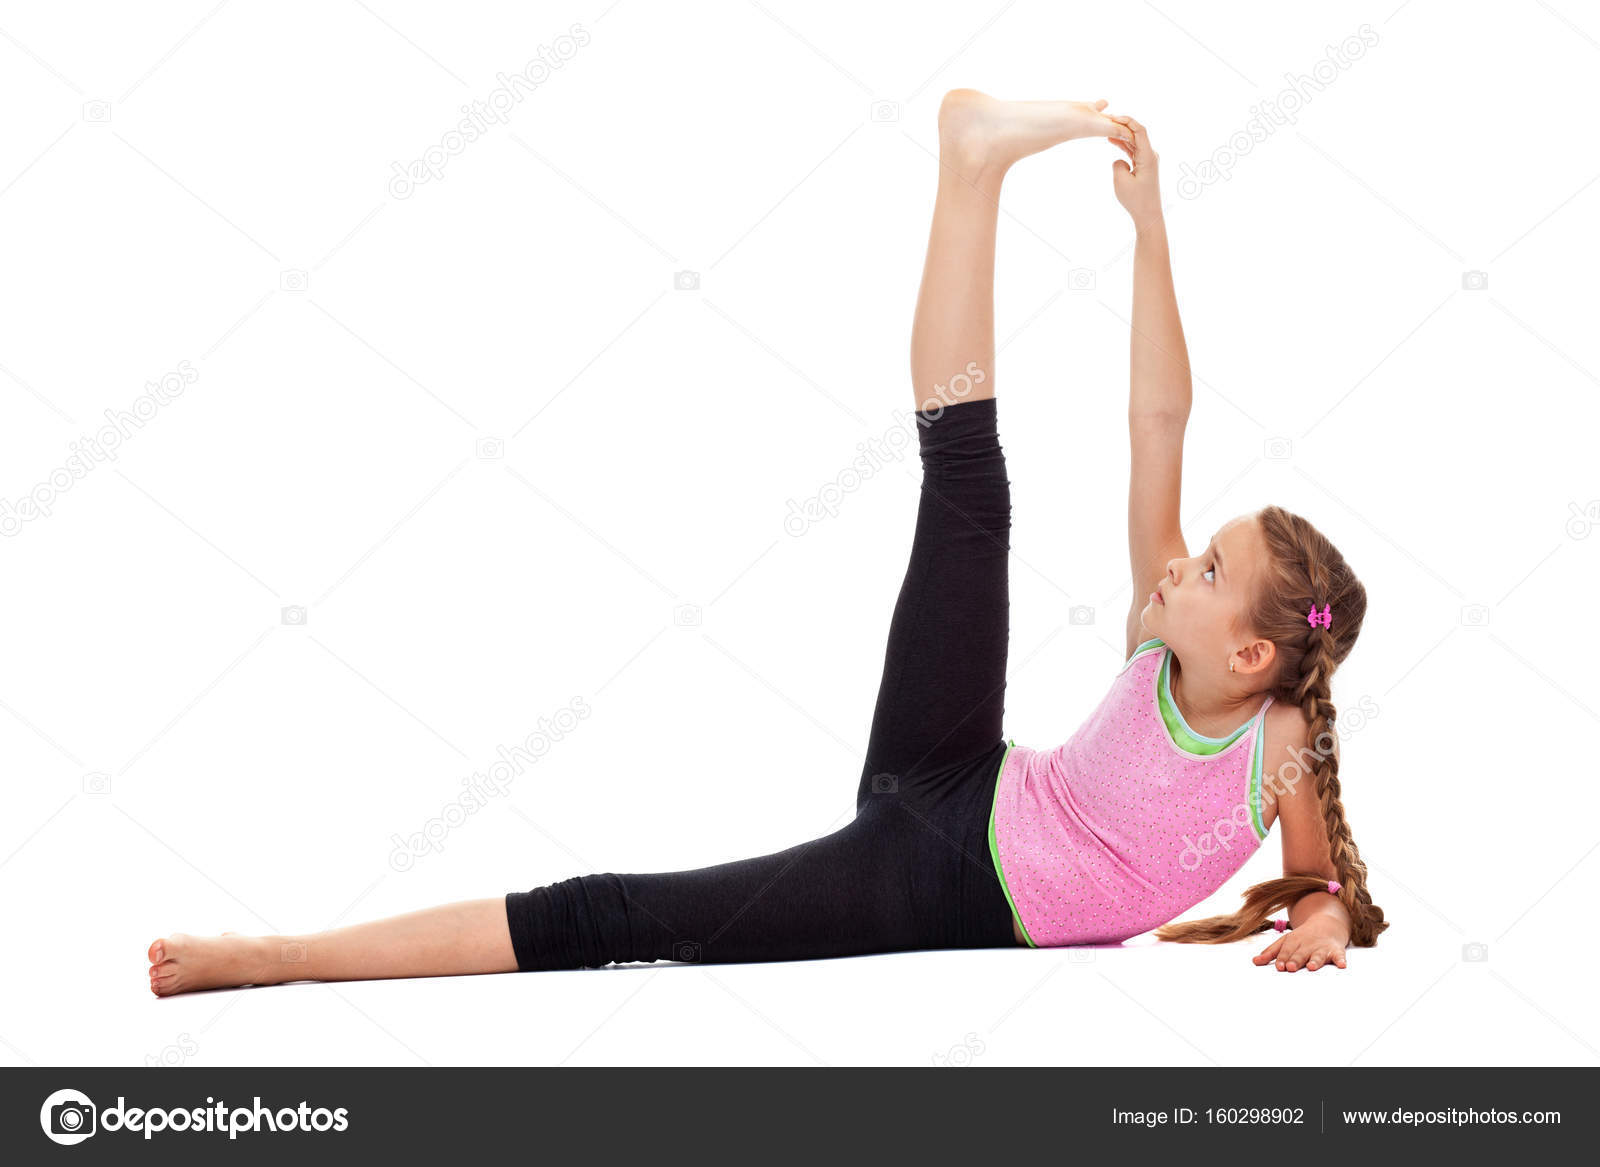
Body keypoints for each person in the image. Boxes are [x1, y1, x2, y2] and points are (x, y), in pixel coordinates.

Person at [147, 89, 1385, 997]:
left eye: (1207, 572)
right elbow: (1156, 420)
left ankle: (286, 958)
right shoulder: (1164, 647)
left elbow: (1323, 872)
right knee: (970, 488)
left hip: (932, 870)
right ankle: (972, 169)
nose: (1174, 565)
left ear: (1260, 657)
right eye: (1197, 554)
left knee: (629, 916)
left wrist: (1326, 914)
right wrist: (1150, 230)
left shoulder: (1280, 746)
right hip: (964, 770)